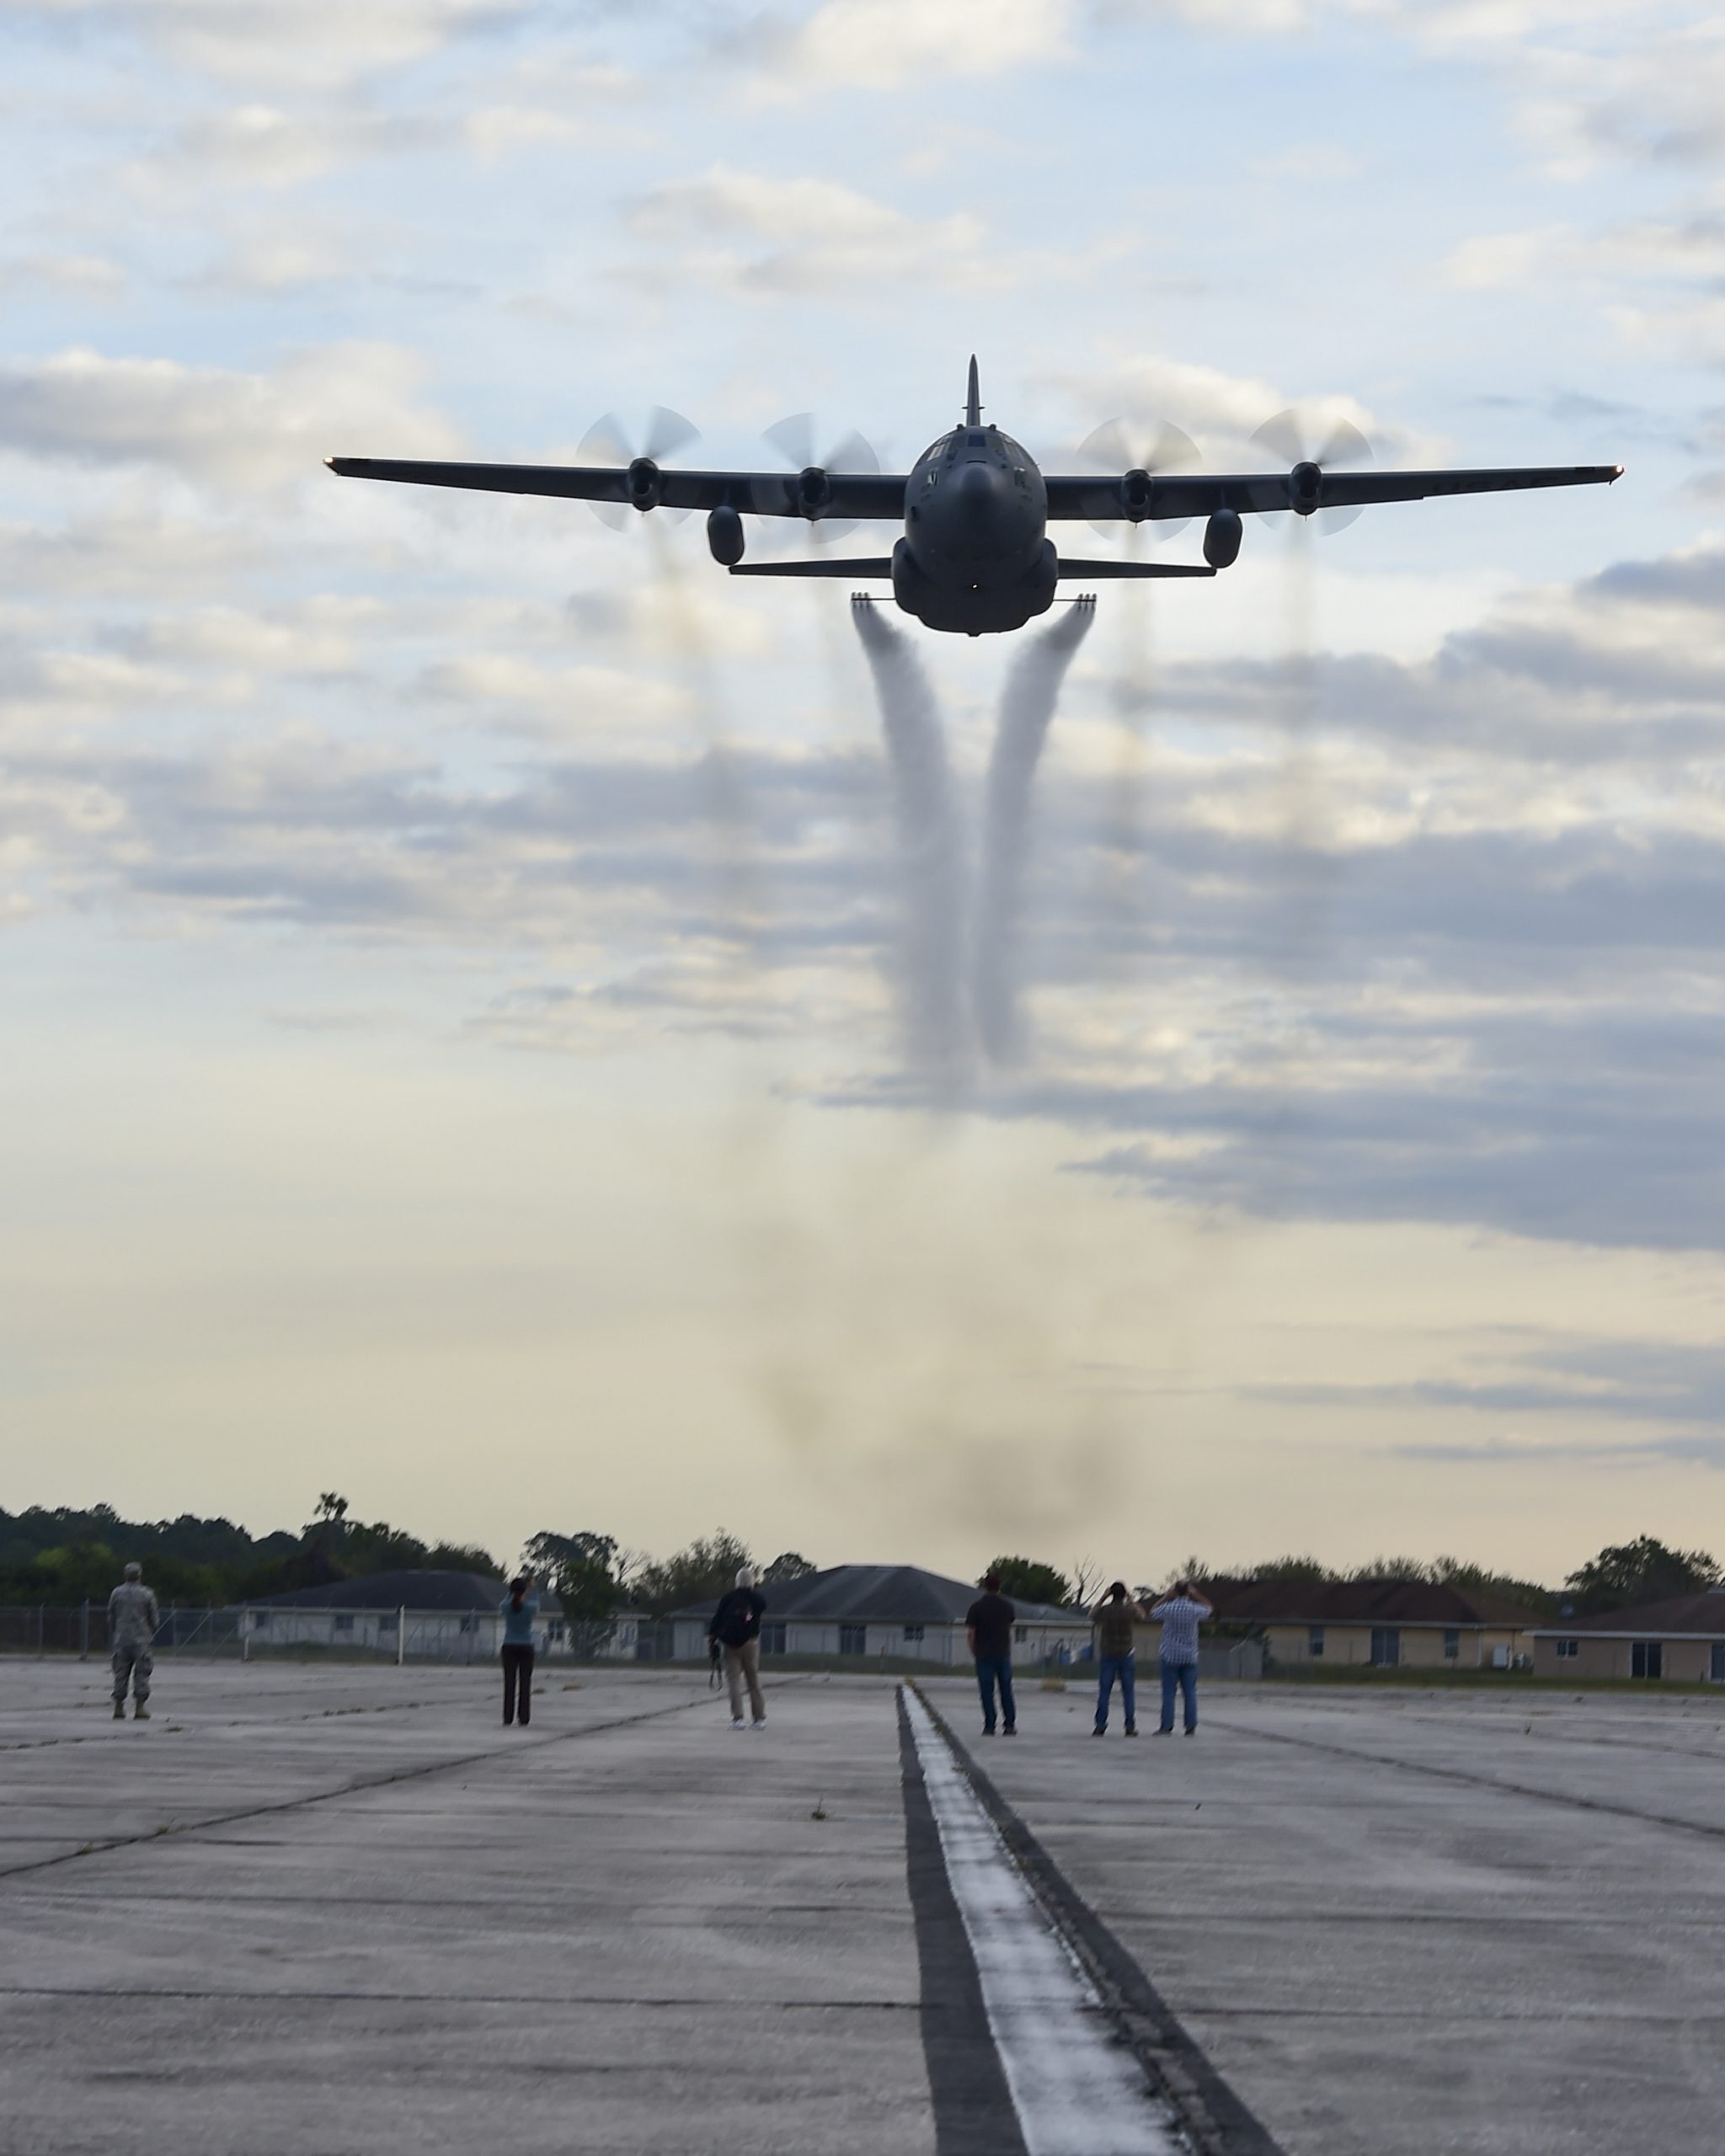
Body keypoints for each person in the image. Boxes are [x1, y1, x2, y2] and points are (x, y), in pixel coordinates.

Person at [1153, 1577, 1214, 1735]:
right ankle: (1190, 1726)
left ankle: (1166, 1726)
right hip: (1189, 1656)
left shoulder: (1168, 1608)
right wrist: (1197, 1595)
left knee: (1168, 1693)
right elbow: (1209, 1609)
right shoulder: (1194, 1609)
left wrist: (1166, 1597)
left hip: (1170, 1655)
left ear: (1174, 1591)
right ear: (1188, 1591)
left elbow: (1153, 1611)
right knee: (1190, 1693)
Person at [708, 1565, 766, 1728]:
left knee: (734, 1681)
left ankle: (738, 1718)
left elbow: (717, 1619)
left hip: (730, 1644)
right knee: (753, 1681)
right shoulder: (757, 1600)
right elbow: (763, 1605)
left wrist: (712, 1640)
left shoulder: (728, 1599)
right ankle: (759, 1718)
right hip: (750, 1642)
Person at [1091, 1582, 1146, 1737]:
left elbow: (1092, 1615)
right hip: (1126, 1653)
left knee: (1104, 1692)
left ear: (1111, 1594)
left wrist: (1103, 1598)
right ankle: (1130, 1725)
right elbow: (1142, 1615)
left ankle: (1100, 1725)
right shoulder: (1128, 1611)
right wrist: (1131, 1598)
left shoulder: (1106, 1611)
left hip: (1108, 1653)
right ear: (1123, 1594)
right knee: (1128, 1692)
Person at [965, 1571, 1017, 1736]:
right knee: (1006, 1690)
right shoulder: (1007, 1606)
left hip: (983, 1654)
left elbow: (971, 1633)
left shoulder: (976, 1607)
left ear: (985, 1586)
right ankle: (1009, 1724)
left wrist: (974, 1650)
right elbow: (1010, 1623)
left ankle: (990, 1725)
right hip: (1003, 1653)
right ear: (999, 1586)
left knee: (987, 1692)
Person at [108, 1561, 159, 1721]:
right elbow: (154, 1619)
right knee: (142, 1673)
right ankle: (140, 1707)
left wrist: (117, 1632)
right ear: (139, 1575)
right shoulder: (147, 1594)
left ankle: (118, 1707)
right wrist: (150, 1632)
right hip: (141, 1639)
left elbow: (111, 1616)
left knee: (120, 1673)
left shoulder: (116, 1593)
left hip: (121, 1639)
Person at [499, 1570, 539, 1728]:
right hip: (525, 1647)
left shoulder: (506, 1607)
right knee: (525, 1683)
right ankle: (524, 1717)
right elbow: (537, 1603)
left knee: (509, 1683)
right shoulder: (529, 1608)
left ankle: (507, 1717)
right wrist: (533, 1589)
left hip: (509, 1646)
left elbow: (504, 1603)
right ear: (524, 1592)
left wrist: (511, 1592)